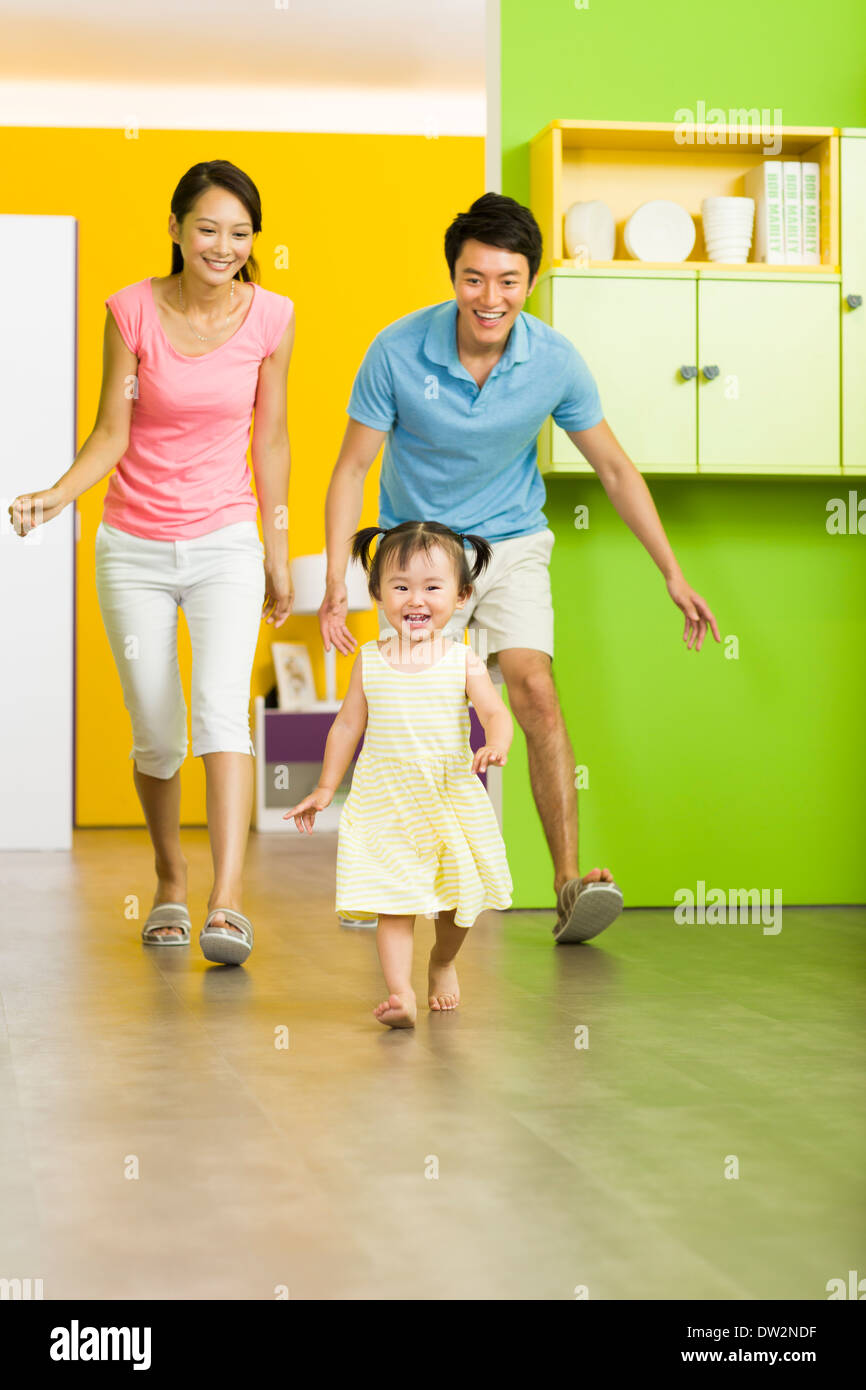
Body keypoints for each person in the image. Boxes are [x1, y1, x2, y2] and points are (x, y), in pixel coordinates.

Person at [317, 192, 720, 945]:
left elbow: (615, 470)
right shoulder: (397, 351)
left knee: (533, 685)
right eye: (474, 279)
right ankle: (393, 886)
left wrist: (673, 572)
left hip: (513, 543)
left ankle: (568, 886)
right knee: (411, 718)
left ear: (529, 280)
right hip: (421, 558)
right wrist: (339, 583)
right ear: (453, 277)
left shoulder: (554, 360)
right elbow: (351, 469)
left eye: (508, 280)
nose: (490, 298)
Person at [7, 159, 294, 966]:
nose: (224, 246)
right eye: (208, 228)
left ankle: (226, 903)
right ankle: (171, 878)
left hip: (226, 538)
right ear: (175, 229)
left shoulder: (273, 317)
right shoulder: (130, 310)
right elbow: (111, 432)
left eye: (240, 234)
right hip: (131, 544)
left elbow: (270, 441)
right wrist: (58, 494)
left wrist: (276, 546)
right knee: (159, 729)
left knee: (220, 711)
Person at [284, 521, 514, 1028]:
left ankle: (443, 961)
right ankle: (400, 993)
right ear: (378, 594)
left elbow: (496, 714)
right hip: (385, 797)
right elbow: (347, 726)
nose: (416, 598)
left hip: (447, 794)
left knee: (460, 901)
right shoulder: (370, 660)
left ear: (460, 597)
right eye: (401, 586)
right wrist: (325, 787)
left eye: (433, 587)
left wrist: (495, 744)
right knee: (394, 900)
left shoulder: (463, 660)